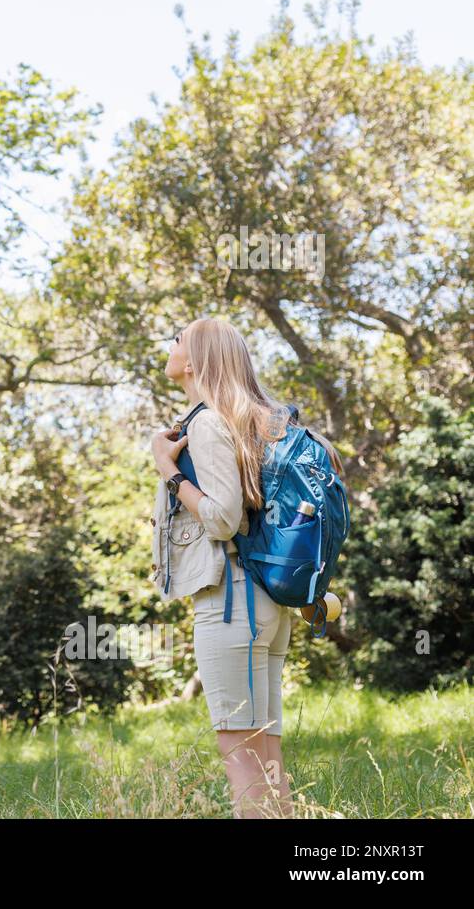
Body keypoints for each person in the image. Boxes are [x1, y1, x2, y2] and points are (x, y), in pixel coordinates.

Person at [150, 318, 298, 818]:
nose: (169, 346)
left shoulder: (209, 423)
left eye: (177, 340)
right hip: (262, 604)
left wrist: (168, 470)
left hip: (233, 603)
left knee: (242, 759)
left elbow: (221, 517)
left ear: (193, 361)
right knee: (265, 757)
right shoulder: (235, 419)